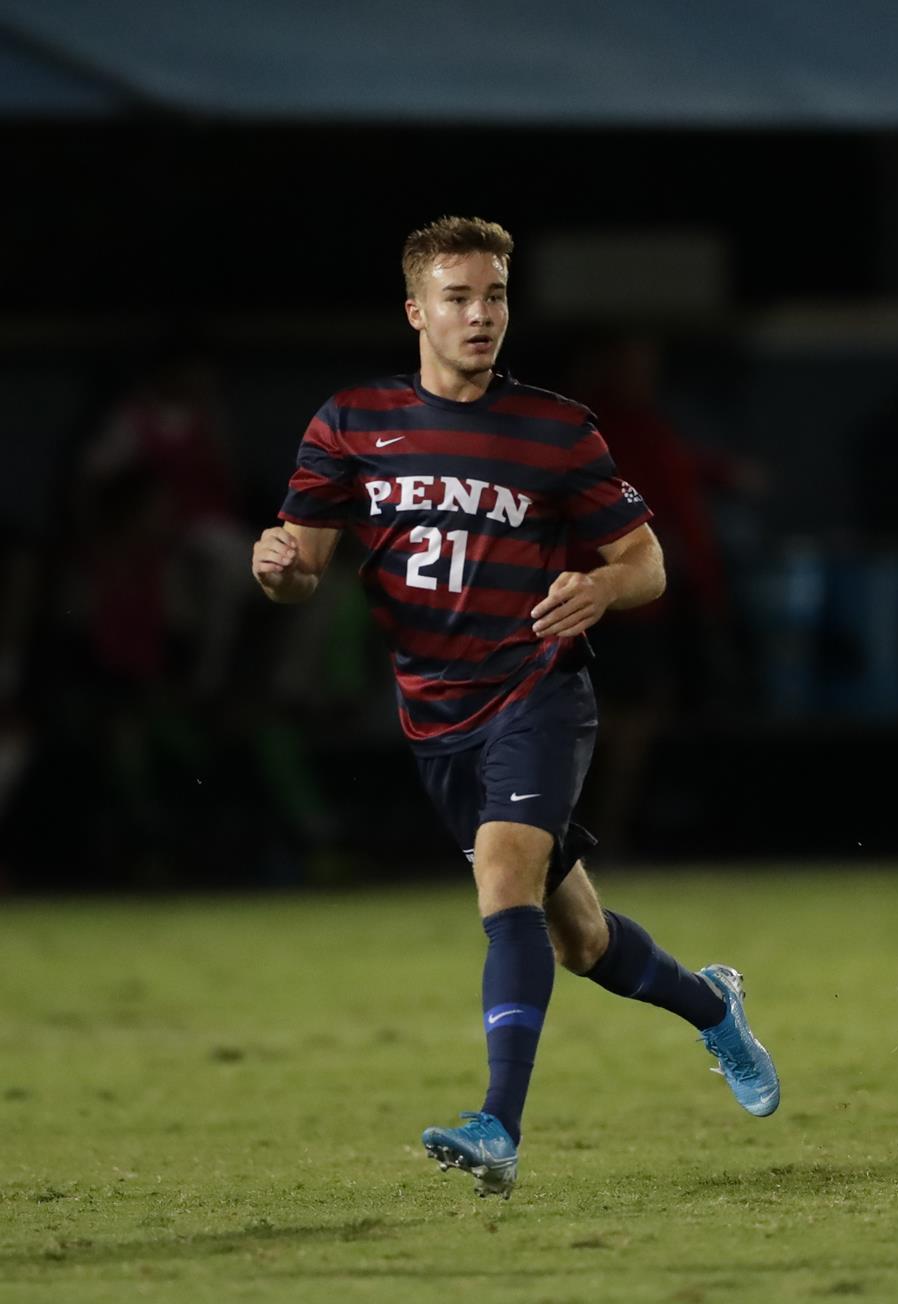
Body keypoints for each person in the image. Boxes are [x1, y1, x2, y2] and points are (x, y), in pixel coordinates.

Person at [250, 216, 779, 1199]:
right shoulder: (350, 422)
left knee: (503, 880)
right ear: (417, 310)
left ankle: (498, 1122)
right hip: (435, 718)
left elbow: (647, 562)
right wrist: (272, 563)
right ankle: (711, 1006)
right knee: (575, 936)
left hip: (538, 692)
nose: (480, 314)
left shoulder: (556, 427)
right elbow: (298, 566)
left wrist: (600, 589)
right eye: (458, 297)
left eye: (494, 295)